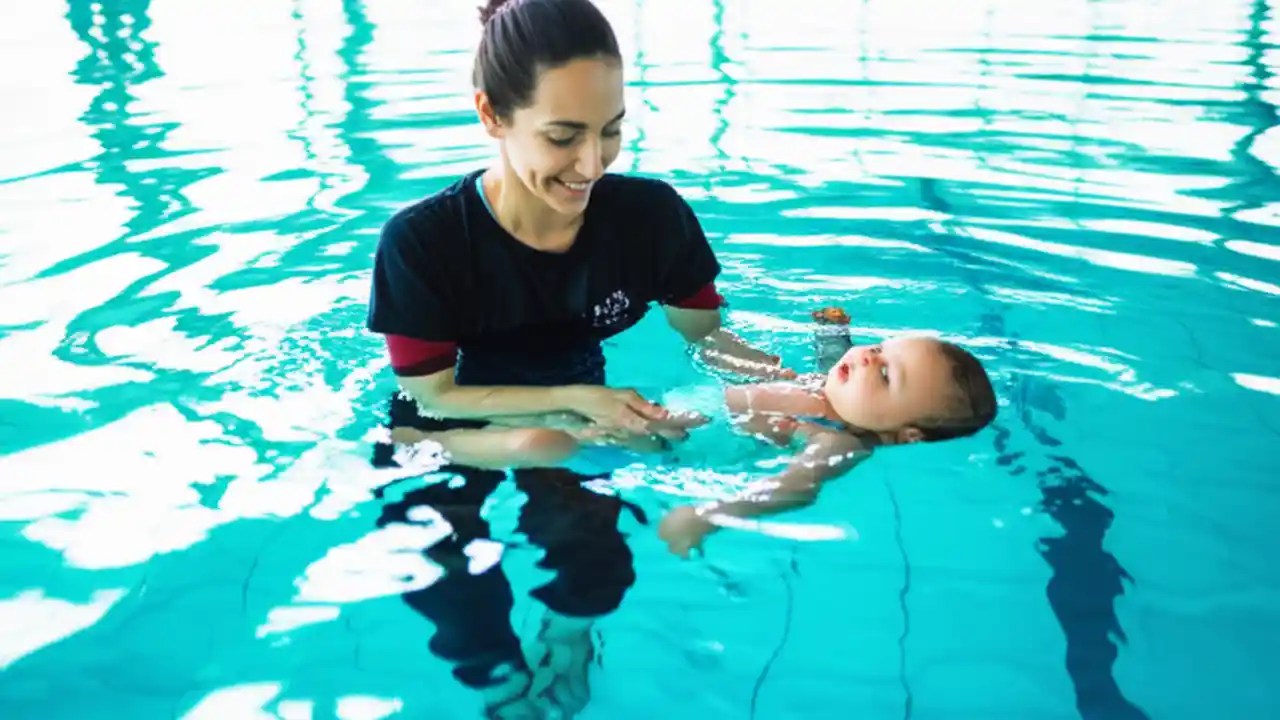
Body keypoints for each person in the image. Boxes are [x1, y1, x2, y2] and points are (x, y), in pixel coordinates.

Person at [364, 0, 782, 717]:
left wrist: (800, 386)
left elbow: (708, 340)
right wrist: (577, 403)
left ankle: (570, 637)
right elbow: (433, 394)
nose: (592, 164)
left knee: (595, 564)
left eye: (611, 131)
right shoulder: (424, 242)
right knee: (447, 566)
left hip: (577, 407)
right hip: (450, 422)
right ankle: (500, 687)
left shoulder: (650, 219)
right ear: (492, 116)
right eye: (563, 137)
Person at [657, 307, 998, 558]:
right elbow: (834, 360)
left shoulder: (841, 441)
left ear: (906, 433)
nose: (866, 357)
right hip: (706, 401)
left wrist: (708, 516)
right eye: (878, 349)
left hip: (690, 436)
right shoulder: (837, 387)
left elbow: (795, 488)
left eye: (884, 376)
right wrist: (832, 332)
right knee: (758, 361)